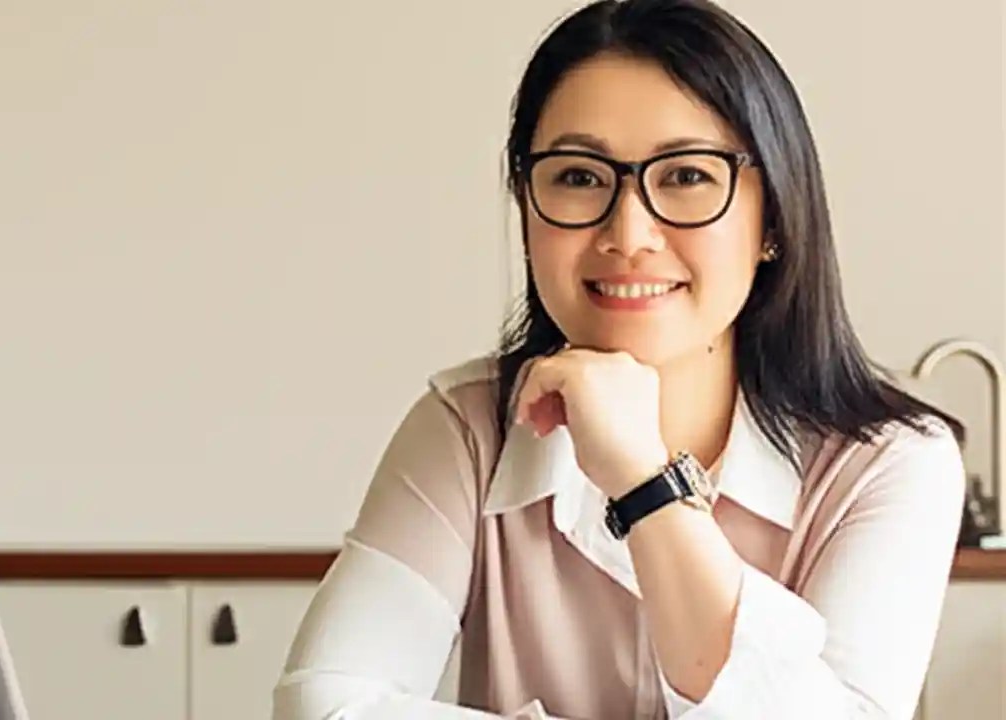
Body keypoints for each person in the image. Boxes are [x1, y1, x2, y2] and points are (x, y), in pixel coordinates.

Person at [272, 0, 967, 717]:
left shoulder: (890, 462)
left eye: (687, 176)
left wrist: (645, 485)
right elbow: (323, 705)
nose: (628, 234)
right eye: (578, 177)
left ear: (775, 219)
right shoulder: (470, 427)